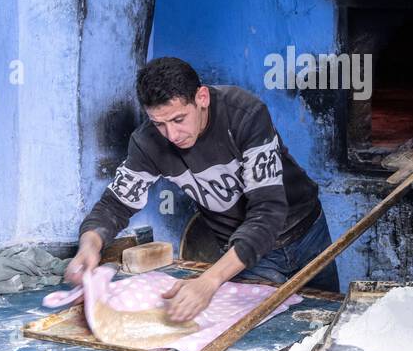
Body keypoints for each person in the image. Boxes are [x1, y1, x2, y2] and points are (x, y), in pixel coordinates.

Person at [67, 57, 339, 321]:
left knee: (326, 322)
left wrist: (210, 279)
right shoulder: (147, 143)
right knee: (261, 337)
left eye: (178, 119)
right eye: (159, 123)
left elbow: (267, 211)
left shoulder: (244, 114)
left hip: (307, 233)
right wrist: (89, 246)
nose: (171, 135)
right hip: (246, 257)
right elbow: (114, 205)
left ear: (202, 98)